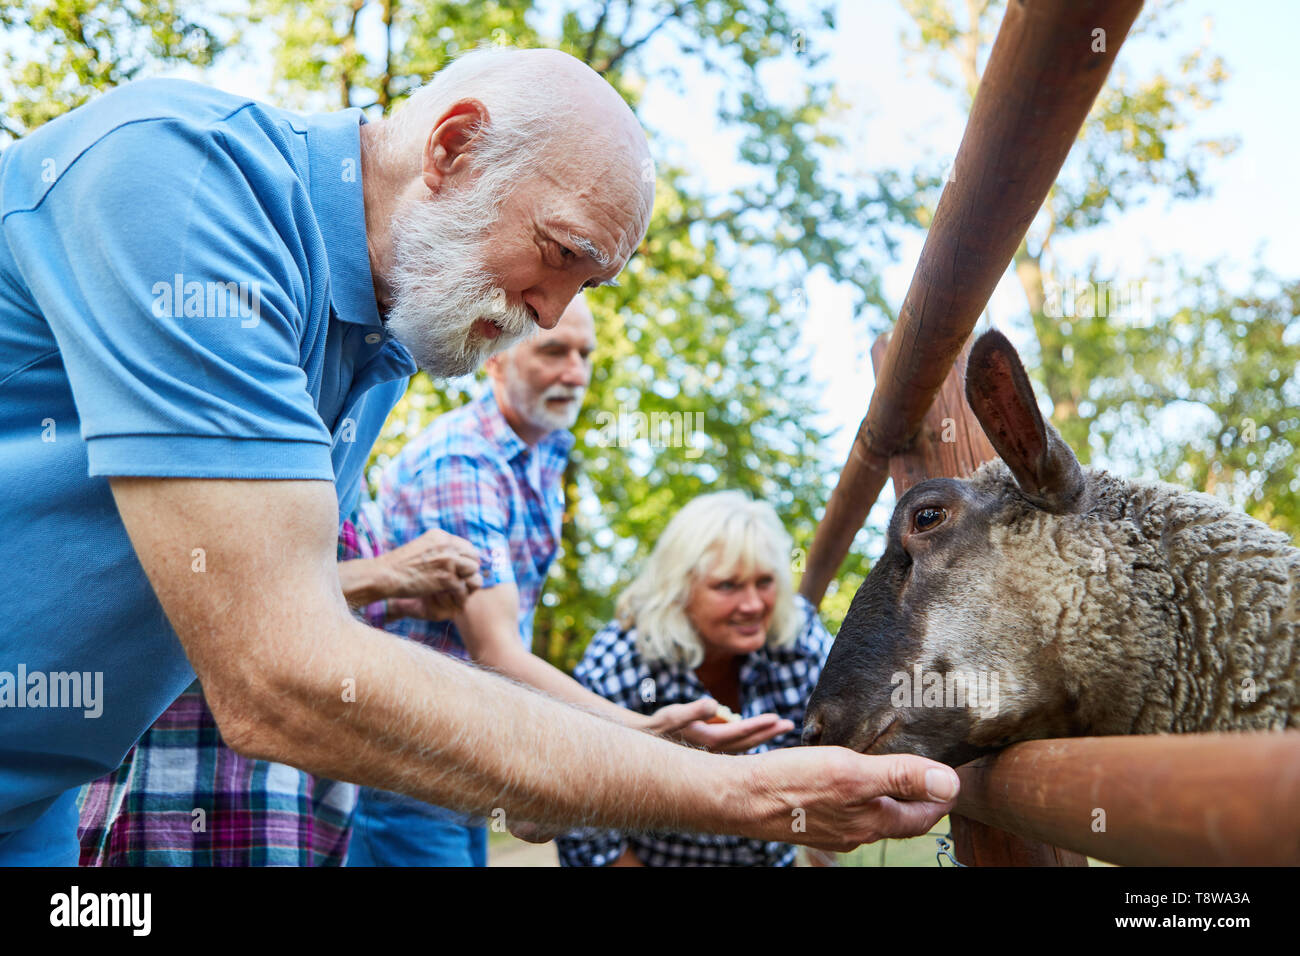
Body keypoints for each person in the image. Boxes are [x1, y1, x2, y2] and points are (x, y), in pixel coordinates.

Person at [0, 46, 959, 866]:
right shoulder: (186, 178)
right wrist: (750, 797)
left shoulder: (374, 346)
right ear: (453, 146)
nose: (550, 311)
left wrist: (612, 741)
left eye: (589, 284)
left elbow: (280, 603)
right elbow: (278, 669)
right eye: (560, 253)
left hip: (33, 802)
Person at [347, 296, 792, 866]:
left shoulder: (540, 458)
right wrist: (641, 733)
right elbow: (496, 648)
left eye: (584, 354)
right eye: (554, 351)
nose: (575, 372)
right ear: (496, 358)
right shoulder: (464, 460)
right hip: (407, 753)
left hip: (459, 750)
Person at [556, 492, 833, 866]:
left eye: (764, 582)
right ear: (681, 589)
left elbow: (836, 748)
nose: (753, 604)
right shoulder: (623, 660)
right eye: (728, 586)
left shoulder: (796, 634)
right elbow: (579, 816)